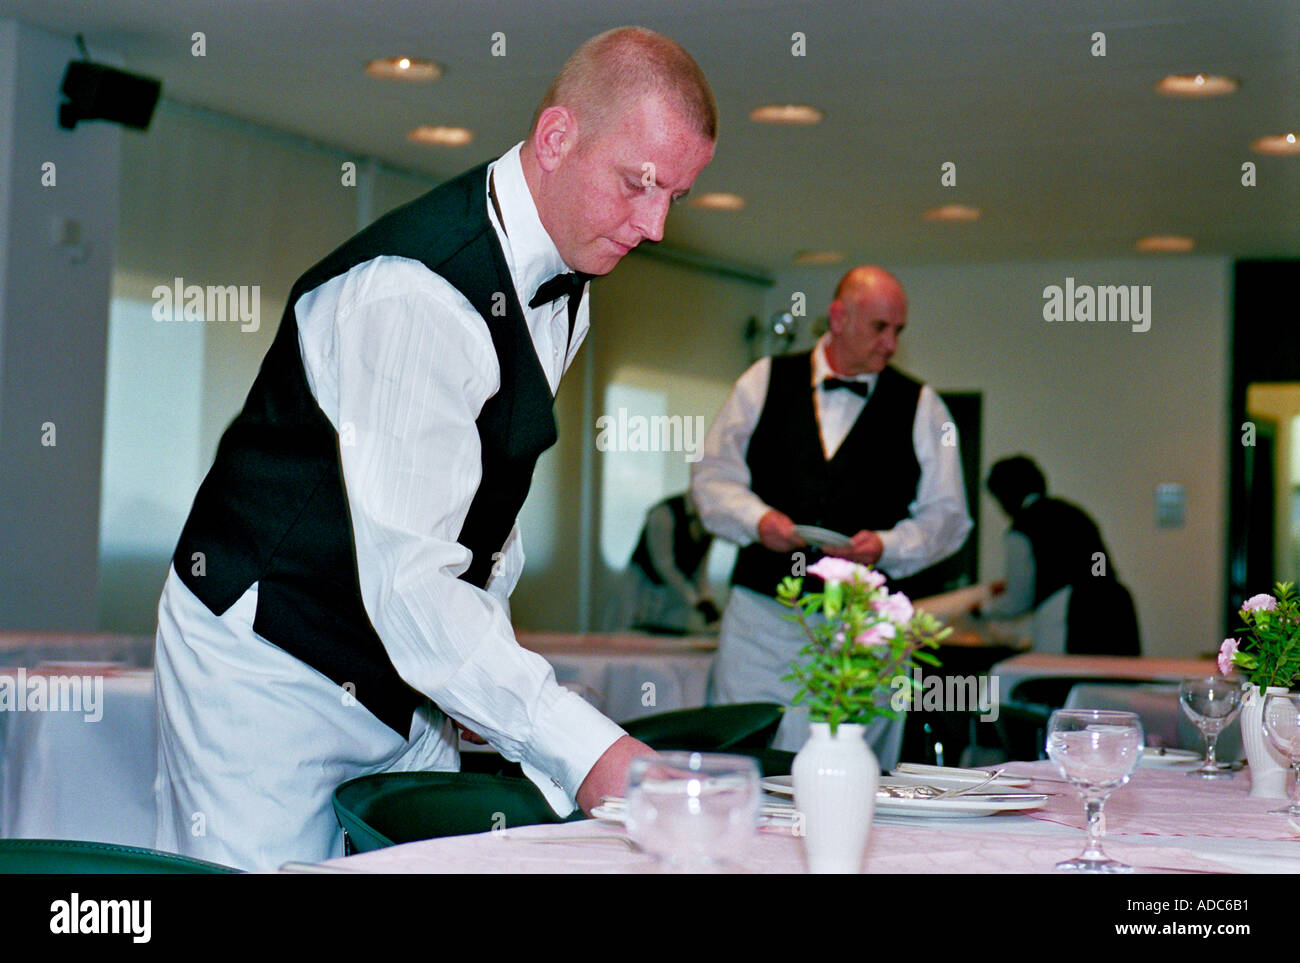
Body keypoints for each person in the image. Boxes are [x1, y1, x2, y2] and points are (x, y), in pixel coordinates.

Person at [152, 27, 717, 870]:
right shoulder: (417, 294)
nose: (656, 225)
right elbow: (411, 579)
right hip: (271, 664)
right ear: (558, 138)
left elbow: (474, 513)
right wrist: (591, 750)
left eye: (675, 194)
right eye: (639, 184)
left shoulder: (562, 281)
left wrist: (484, 685)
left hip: (403, 674)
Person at [691, 266, 973, 758]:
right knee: (745, 752)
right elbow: (712, 476)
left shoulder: (921, 405)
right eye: (880, 327)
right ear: (839, 317)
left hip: (867, 625)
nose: (890, 344)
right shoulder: (764, 380)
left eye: (898, 331)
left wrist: (887, 546)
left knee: (855, 764)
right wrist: (757, 520)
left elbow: (948, 517)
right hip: (763, 618)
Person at [977, 455, 1140, 655]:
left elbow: (1019, 599)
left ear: (1005, 495)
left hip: (1069, 615)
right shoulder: (1076, 514)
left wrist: (982, 609)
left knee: (1060, 682)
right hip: (1114, 607)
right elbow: (1097, 564)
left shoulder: (1022, 528)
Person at [605, 492, 719, 634]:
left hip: (674, 597)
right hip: (643, 589)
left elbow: (700, 571)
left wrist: (706, 599)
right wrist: (695, 599)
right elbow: (664, 565)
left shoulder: (711, 522)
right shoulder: (664, 513)